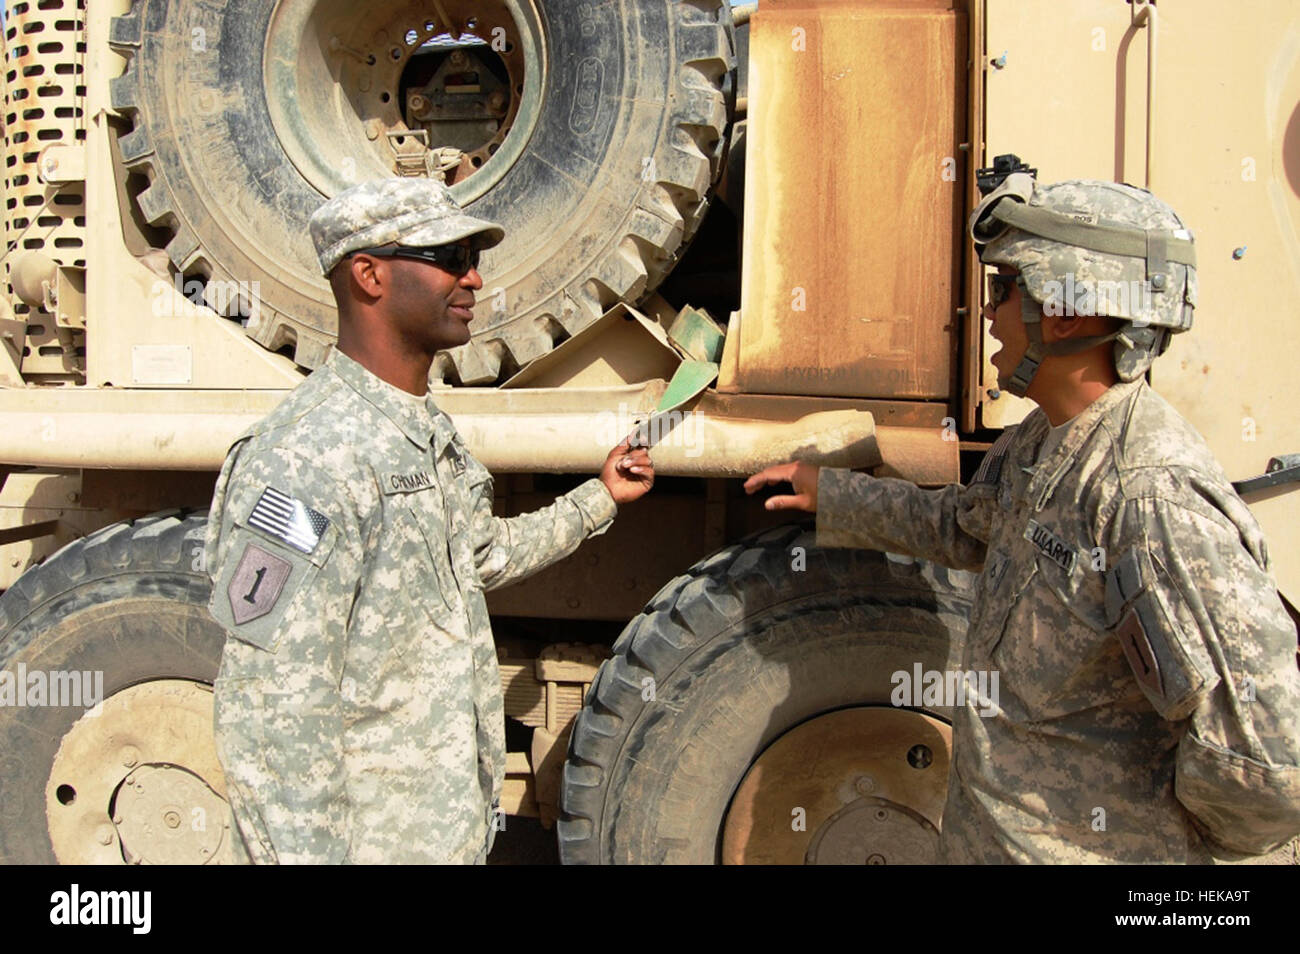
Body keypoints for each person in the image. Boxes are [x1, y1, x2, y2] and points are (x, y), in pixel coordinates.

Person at [746, 173, 1300, 863]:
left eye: (1005, 290)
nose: (987, 314)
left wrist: (1155, 843)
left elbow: (1267, 756)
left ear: (1063, 312)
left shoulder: (1148, 495)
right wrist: (836, 496)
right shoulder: (1042, 439)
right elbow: (970, 526)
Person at [204, 177, 654, 864]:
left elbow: (480, 557)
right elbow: (272, 714)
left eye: (474, 253)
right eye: (449, 256)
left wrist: (599, 498)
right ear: (369, 274)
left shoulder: (424, 429)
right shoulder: (304, 459)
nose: (473, 275)